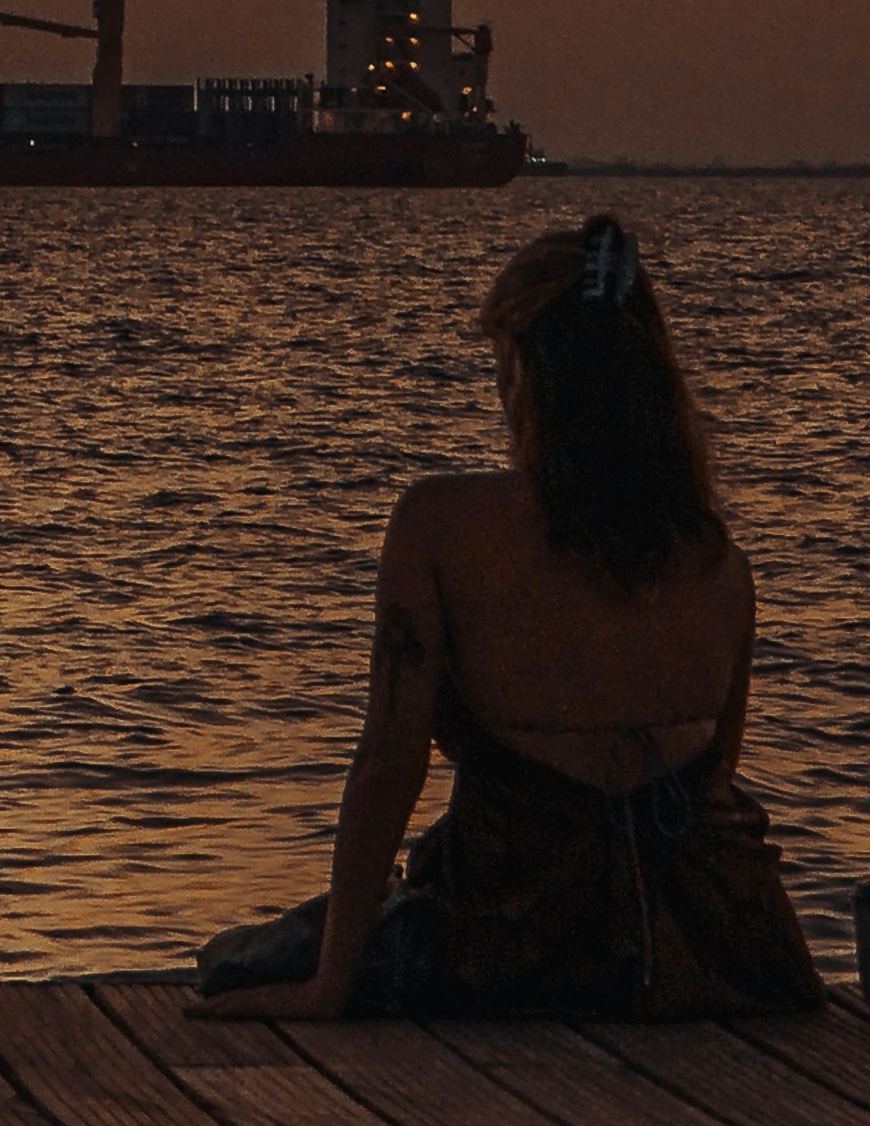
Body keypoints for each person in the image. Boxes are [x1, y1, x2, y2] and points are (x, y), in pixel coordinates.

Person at [193, 213, 826, 1019]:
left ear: (527, 374)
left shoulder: (441, 523)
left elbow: (391, 762)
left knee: (240, 959)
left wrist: (331, 984)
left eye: (501, 361)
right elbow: (720, 786)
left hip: (521, 945)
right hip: (724, 951)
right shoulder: (717, 561)